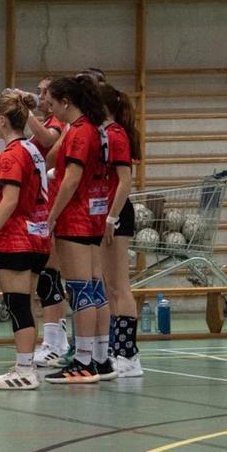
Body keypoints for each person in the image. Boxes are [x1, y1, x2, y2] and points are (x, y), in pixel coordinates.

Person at [0, 91, 49, 390]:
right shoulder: (32, 149)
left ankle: (25, 370)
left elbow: (10, 199)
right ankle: (26, 364)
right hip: (38, 236)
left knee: (18, 304)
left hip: (17, 238)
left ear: (4, 121)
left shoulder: (10, 155)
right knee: (27, 304)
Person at [43, 75, 108, 384]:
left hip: (76, 218)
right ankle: (100, 357)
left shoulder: (80, 132)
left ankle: (83, 361)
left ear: (66, 102)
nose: (51, 109)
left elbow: (71, 179)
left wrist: (52, 215)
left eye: (53, 103)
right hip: (91, 217)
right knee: (94, 287)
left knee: (81, 288)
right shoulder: (90, 128)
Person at [98, 83, 143, 377]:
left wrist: (111, 218)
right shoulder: (104, 133)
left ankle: (129, 354)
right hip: (106, 213)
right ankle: (117, 349)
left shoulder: (115, 134)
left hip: (117, 215)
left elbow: (125, 181)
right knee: (110, 287)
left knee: (120, 286)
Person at [24, 78, 69, 367]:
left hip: (55, 207)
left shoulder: (59, 123)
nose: (40, 97)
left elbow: (49, 143)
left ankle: (55, 342)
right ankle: (57, 338)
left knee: (50, 274)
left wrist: (24, 111)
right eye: (38, 92)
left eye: (44, 93)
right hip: (43, 206)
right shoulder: (48, 122)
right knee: (47, 275)